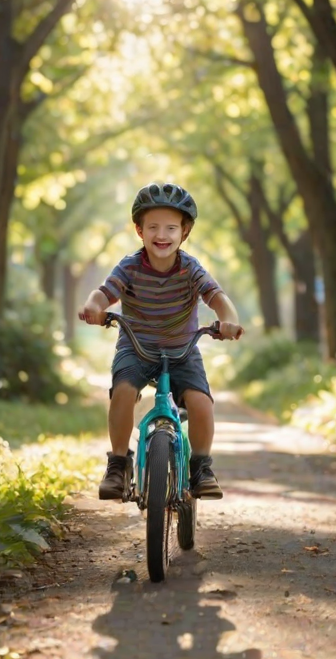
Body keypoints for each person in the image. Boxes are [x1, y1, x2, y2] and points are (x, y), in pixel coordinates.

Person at [79, 182, 244, 501]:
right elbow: (104, 292)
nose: (162, 234)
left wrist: (229, 320)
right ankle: (118, 464)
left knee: (200, 403)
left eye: (171, 227)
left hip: (183, 351)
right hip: (136, 347)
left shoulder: (190, 268)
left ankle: (200, 467)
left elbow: (217, 297)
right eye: (153, 226)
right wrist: (94, 307)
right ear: (139, 231)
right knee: (123, 392)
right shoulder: (129, 266)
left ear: (185, 232)